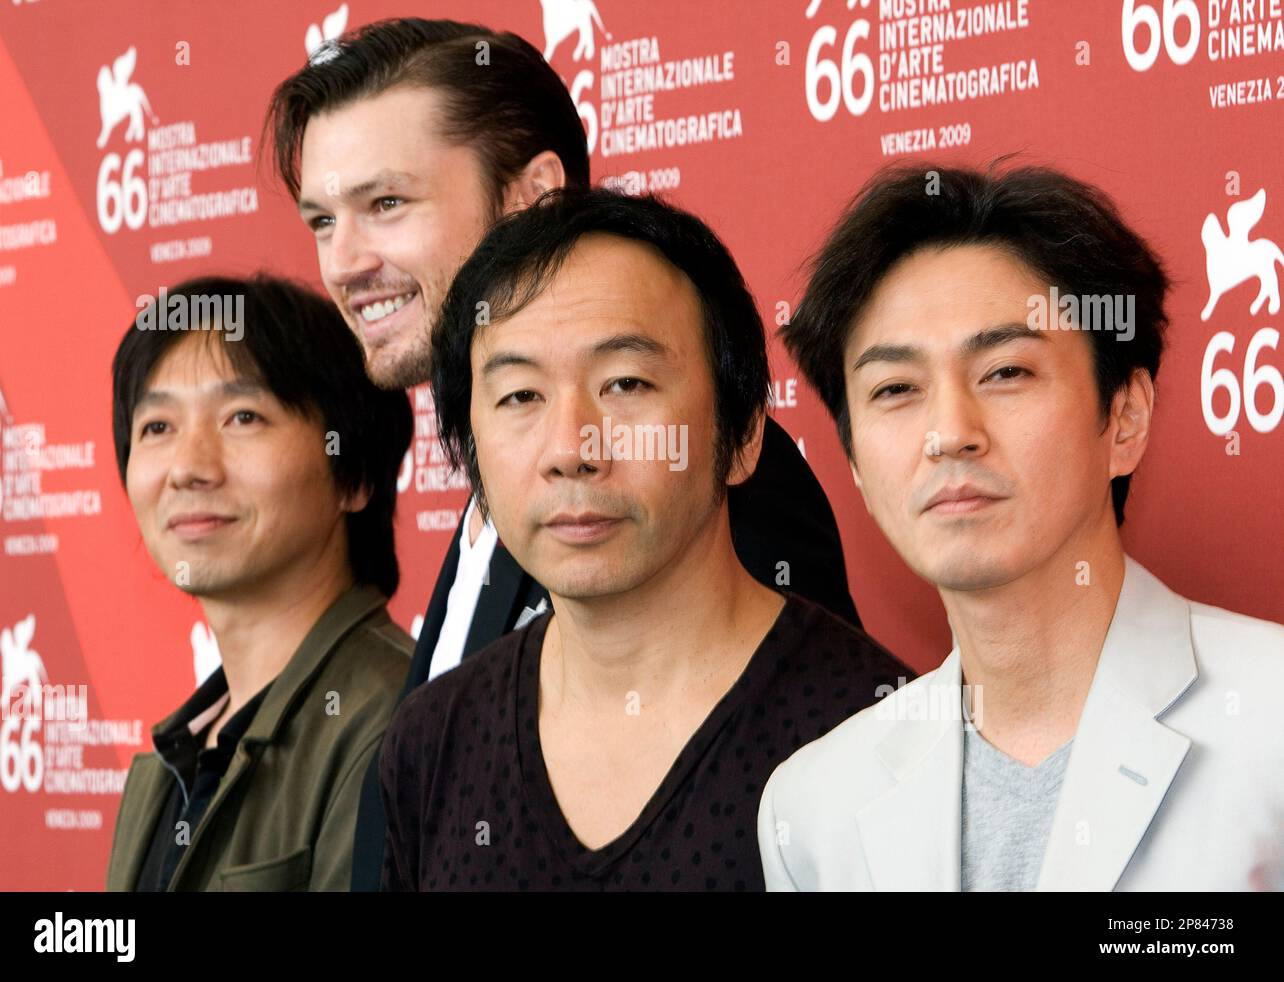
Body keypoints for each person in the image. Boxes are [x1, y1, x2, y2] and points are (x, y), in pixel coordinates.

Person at [264, 16, 860, 890]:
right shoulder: (491, 507)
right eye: (322, 219)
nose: (345, 261)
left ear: (531, 193)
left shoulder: (713, 478)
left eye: (386, 205)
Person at [760, 163, 1284, 891]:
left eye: (1006, 371)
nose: (950, 433)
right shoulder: (814, 809)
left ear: (1125, 418)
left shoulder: (1270, 721)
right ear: (853, 465)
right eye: (895, 390)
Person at [377, 188, 908, 891]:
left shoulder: (881, 736)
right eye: (520, 397)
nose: (571, 448)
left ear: (744, 432)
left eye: (625, 383)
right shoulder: (433, 742)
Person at [105, 275, 413, 891]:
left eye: (243, 417)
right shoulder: (170, 762)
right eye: (157, 427)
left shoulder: (396, 724)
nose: (189, 468)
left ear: (353, 476)